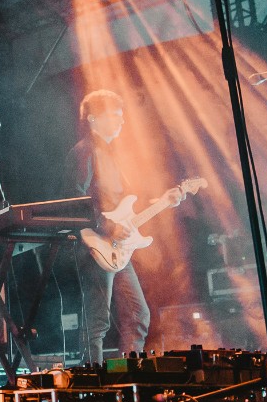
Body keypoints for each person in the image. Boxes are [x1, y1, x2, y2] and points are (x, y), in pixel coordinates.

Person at [62, 89, 184, 366]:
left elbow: (123, 205)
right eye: (114, 115)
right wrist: (107, 226)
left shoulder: (113, 156)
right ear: (93, 119)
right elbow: (73, 200)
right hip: (95, 246)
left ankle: (125, 375)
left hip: (116, 249)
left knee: (138, 315)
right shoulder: (83, 152)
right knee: (98, 322)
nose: (121, 121)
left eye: (121, 115)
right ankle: (93, 383)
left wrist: (164, 201)